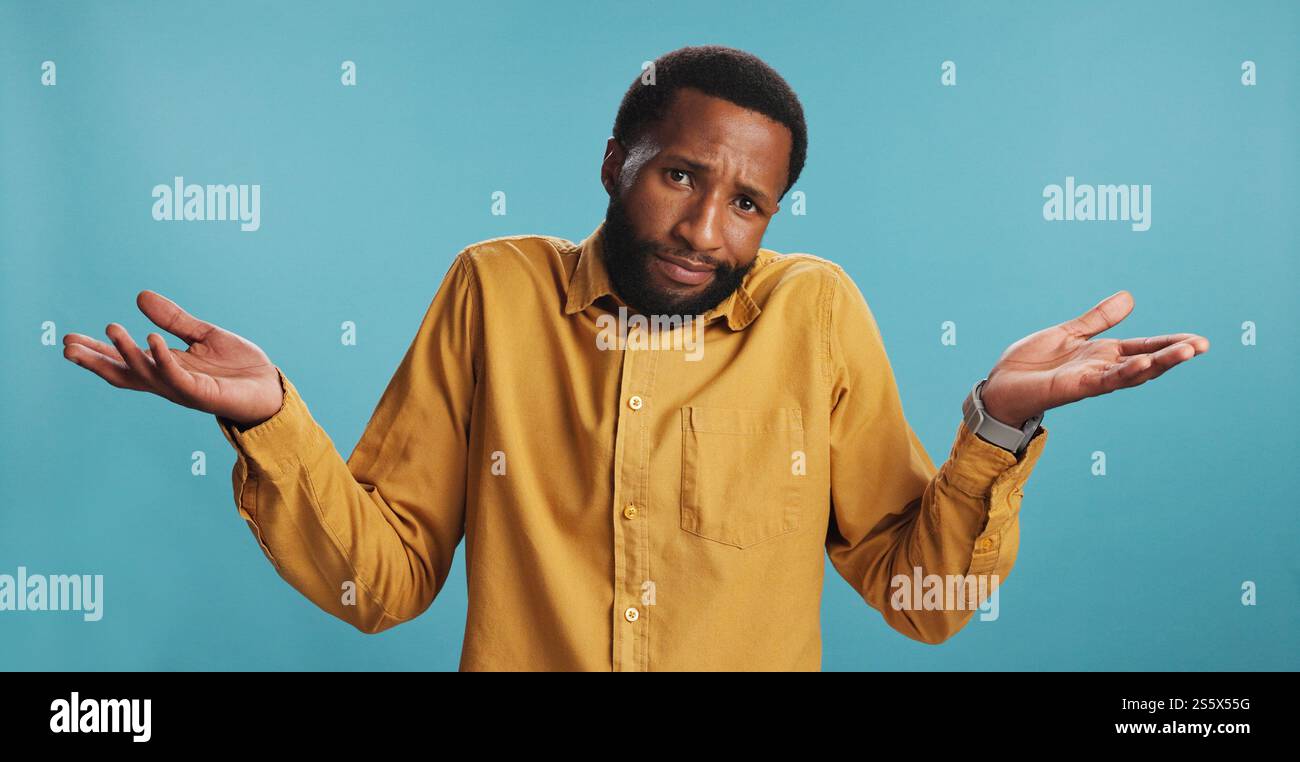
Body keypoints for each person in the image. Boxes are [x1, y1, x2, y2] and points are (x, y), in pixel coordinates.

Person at [62, 45, 1209, 671]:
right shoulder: (493, 291)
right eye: (680, 176)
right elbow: (387, 580)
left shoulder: (815, 314)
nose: (707, 228)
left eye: (748, 202)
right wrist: (271, 422)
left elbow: (920, 601)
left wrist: (997, 428)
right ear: (615, 158)